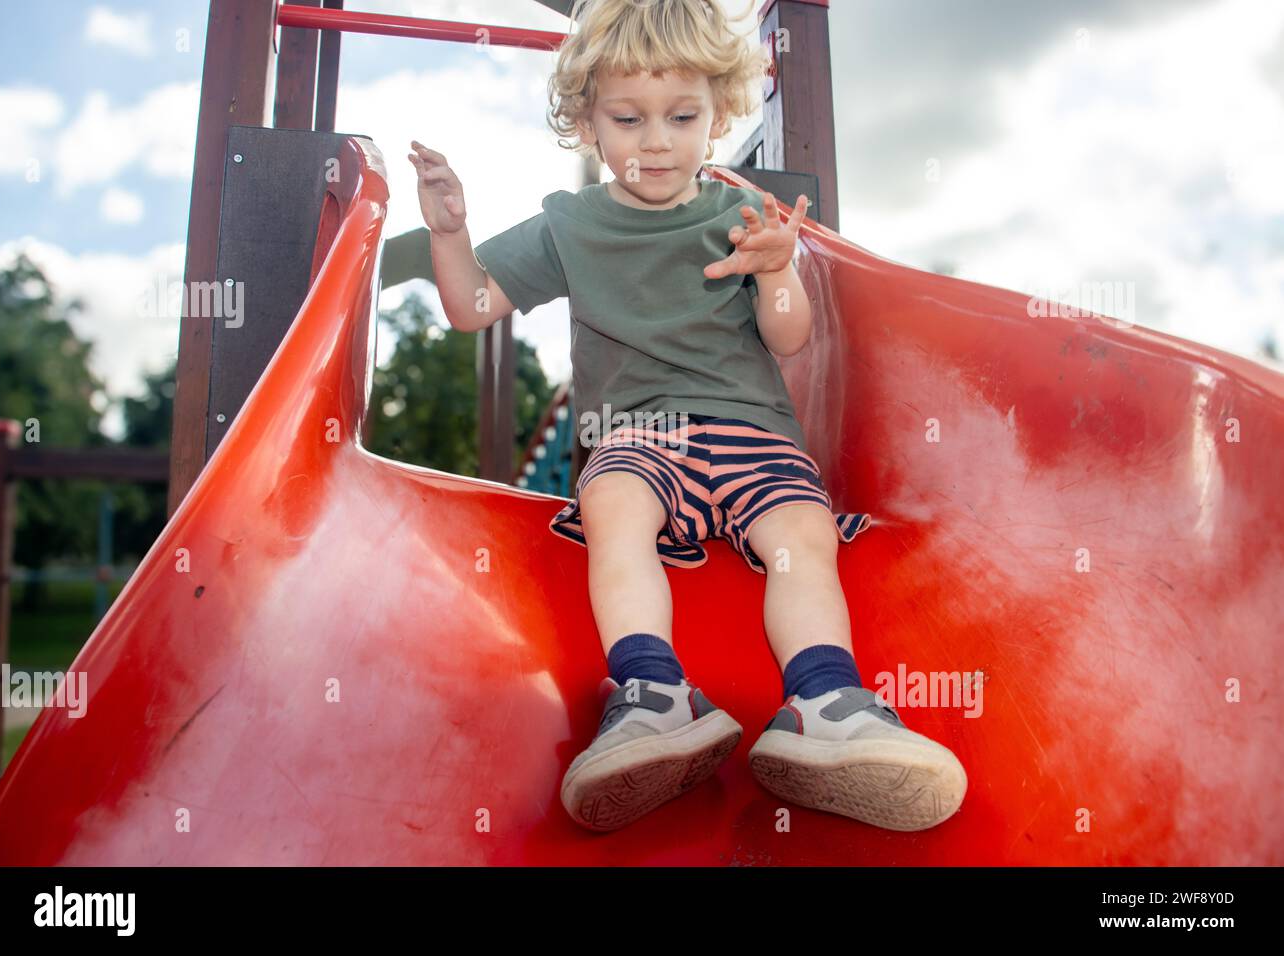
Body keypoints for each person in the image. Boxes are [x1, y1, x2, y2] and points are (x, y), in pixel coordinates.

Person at [409, 0, 966, 834]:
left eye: (682, 117)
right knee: (613, 506)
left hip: (754, 436)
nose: (657, 142)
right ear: (587, 122)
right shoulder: (570, 226)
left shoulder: (740, 218)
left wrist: (779, 269)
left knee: (801, 536)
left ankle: (827, 702)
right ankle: (652, 694)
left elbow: (790, 337)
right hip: (638, 438)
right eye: (628, 119)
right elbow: (473, 306)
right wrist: (448, 233)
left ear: (719, 116)